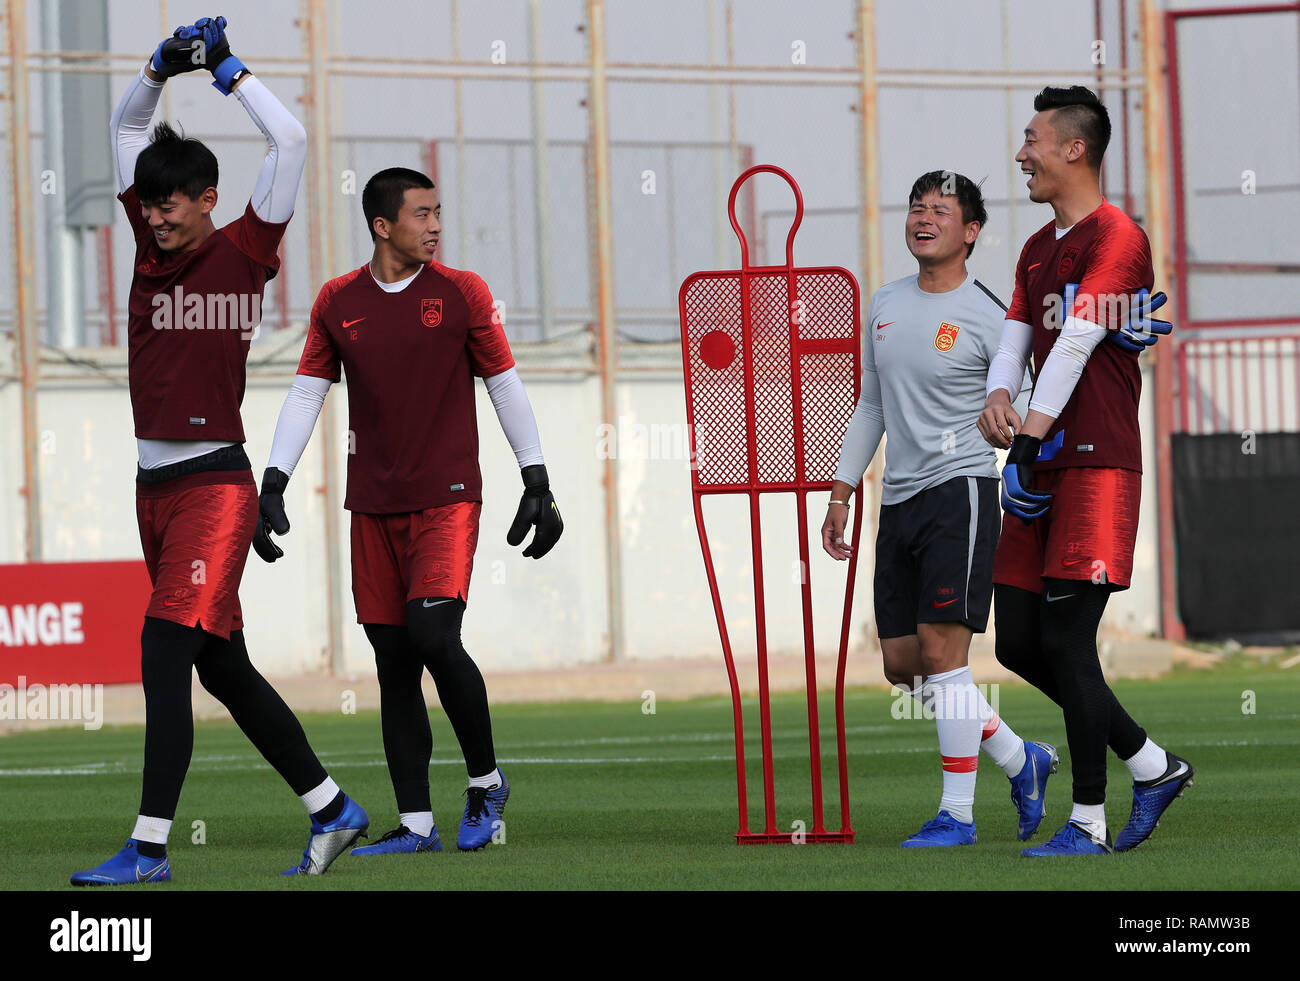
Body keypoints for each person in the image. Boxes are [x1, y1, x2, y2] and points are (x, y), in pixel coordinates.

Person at [72, 17, 367, 886]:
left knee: (164, 654)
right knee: (222, 666)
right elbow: (128, 128)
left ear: (208, 197)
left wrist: (227, 71)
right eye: (149, 203)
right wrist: (161, 67)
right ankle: (332, 808)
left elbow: (293, 137)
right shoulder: (148, 245)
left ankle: (151, 850)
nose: (156, 216)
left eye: (171, 202)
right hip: (153, 487)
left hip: (213, 486)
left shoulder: (247, 248)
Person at [254, 167, 562, 854]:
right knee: (393, 659)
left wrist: (535, 475)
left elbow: (505, 386)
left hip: (447, 499)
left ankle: (486, 782)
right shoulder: (338, 302)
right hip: (372, 506)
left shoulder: (462, 293)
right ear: (382, 225)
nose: (435, 226)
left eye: (439, 212)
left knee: (432, 634)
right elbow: (307, 393)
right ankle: (416, 824)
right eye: (422, 214)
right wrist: (272, 478)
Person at [978, 85, 1192, 857]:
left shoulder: (1119, 236)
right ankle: (1152, 763)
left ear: (1074, 148)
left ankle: (1088, 823)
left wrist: (1027, 444)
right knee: (1017, 642)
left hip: (1094, 461)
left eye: (1031, 138)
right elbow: (1018, 335)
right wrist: (1001, 392)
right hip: (1042, 459)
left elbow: (1073, 342)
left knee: (1070, 643)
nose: (1020, 153)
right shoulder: (1038, 247)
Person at [823, 170, 1058, 848]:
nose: (924, 218)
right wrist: (842, 491)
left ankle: (956, 813)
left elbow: (1030, 395)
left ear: (972, 231)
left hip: (962, 493)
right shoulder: (885, 304)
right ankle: (1022, 757)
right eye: (916, 207)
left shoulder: (992, 315)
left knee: (942, 653)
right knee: (903, 664)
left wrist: (1009, 413)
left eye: (941, 210)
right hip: (898, 499)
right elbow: (870, 404)